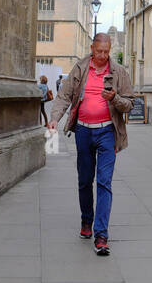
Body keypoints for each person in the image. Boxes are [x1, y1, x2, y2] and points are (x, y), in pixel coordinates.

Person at [47, 33, 134, 255]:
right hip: (84, 131)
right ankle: (87, 221)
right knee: (85, 180)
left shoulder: (119, 72)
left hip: (107, 132)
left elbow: (130, 104)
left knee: (104, 182)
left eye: (107, 51)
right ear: (92, 49)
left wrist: (114, 98)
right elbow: (64, 96)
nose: (103, 56)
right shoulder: (79, 68)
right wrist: (55, 118)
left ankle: (101, 235)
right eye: (99, 51)